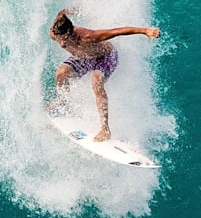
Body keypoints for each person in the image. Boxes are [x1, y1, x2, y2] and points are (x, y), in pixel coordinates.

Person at [47, 9, 160, 142]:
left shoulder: (88, 36)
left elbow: (117, 31)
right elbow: (61, 14)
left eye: (65, 39)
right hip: (85, 57)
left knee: (96, 82)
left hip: (105, 58)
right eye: (59, 39)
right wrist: (71, 10)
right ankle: (64, 101)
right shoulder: (55, 33)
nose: (62, 44)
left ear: (70, 32)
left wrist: (145, 31)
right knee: (61, 74)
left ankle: (105, 129)